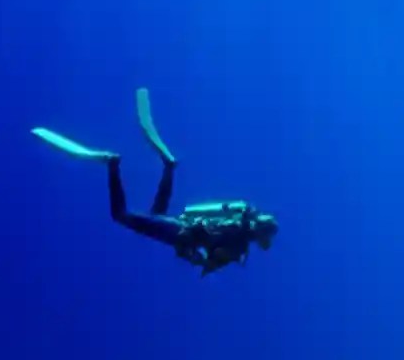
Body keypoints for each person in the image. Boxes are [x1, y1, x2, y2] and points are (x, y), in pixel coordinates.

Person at [32, 88, 278, 277]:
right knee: (121, 216)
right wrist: (198, 260)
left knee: (156, 214)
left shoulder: (242, 214)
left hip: (184, 224)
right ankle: (112, 164)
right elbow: (207, 262)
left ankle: (169, 168)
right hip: (181, 233)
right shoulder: (238, 250)